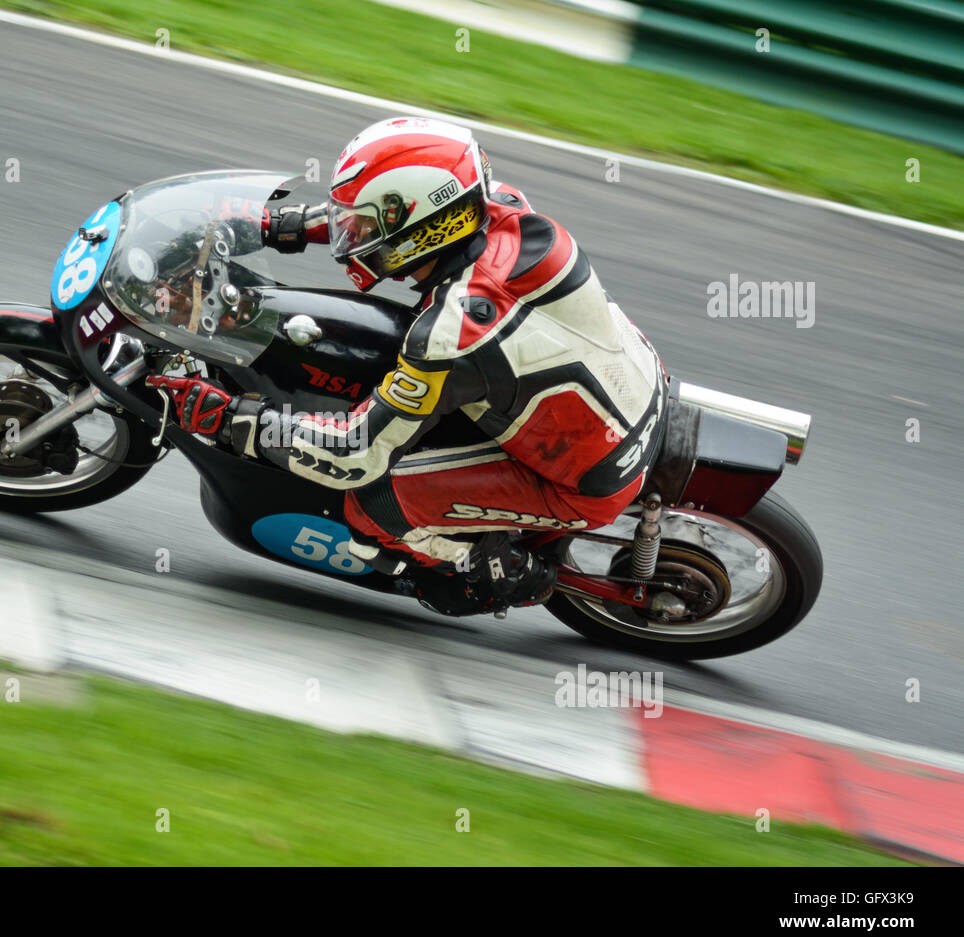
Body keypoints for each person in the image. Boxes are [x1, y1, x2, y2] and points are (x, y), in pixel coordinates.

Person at [147, 116, 667, 615]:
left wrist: (233, 420)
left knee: (374, 503)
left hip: (584, 477)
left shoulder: (453, 332)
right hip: (634, 384)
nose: (352, 236)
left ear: (424, 227)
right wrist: (276, 227)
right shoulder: (497, 209)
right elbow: (408, 222)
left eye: (364, 225)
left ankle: (484, 571)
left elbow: (356, 452)